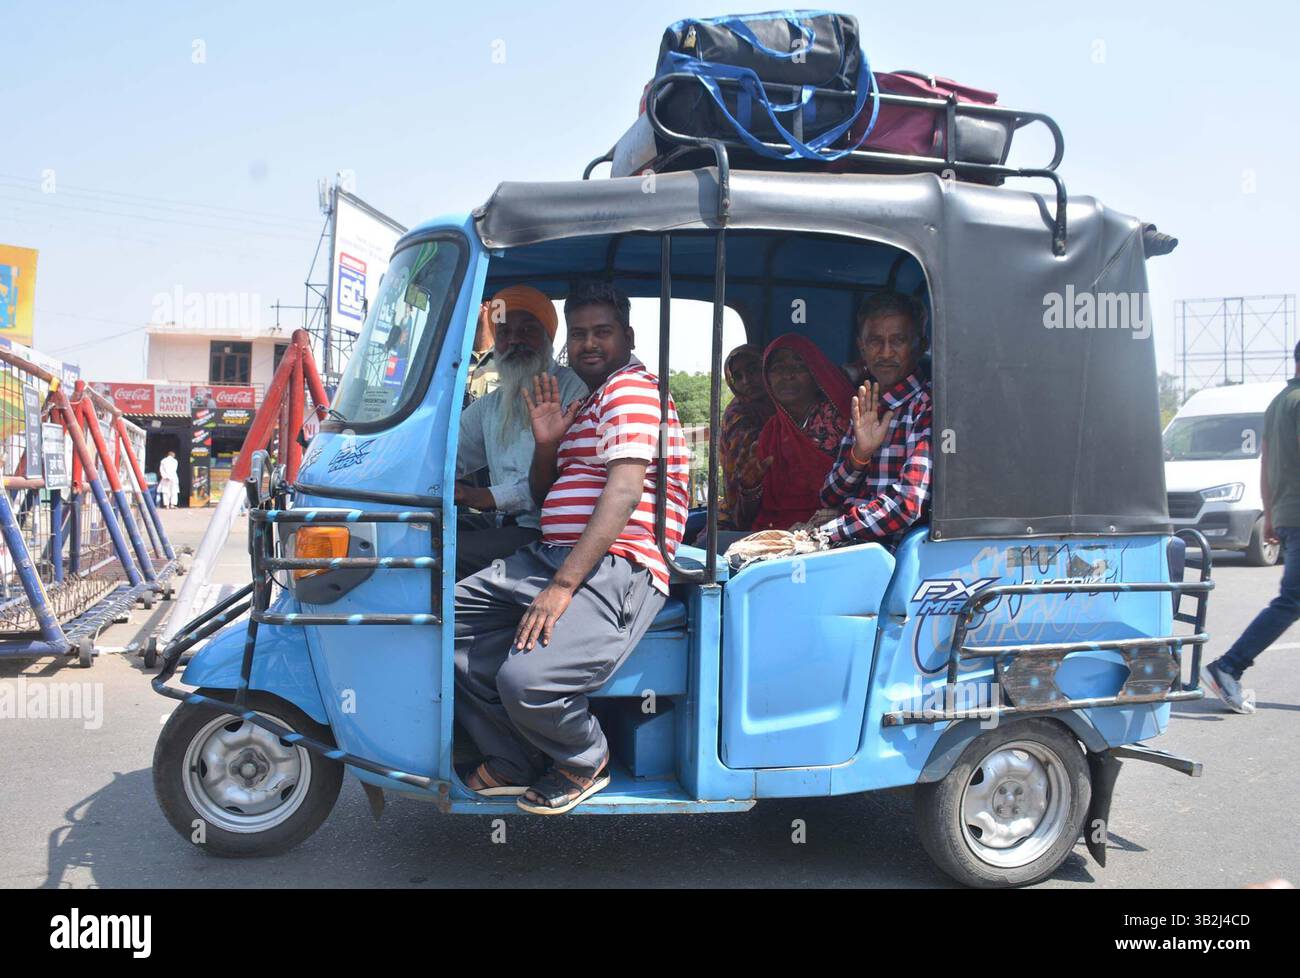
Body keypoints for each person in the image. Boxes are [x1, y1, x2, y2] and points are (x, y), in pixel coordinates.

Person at [454, 281, 689, 813]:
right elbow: (541, 493)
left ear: (627, 336)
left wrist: (561, 588)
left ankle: (585, 758)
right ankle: (514, 757)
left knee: (526, 680)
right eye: (579, 334)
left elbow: (625, 491)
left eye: (602, 333)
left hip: (617, 565)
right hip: (551, 554)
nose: (588, 344)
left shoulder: (631, 390)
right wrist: (546, 445)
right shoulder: (590, 399)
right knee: (448, 623)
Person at [454, 285, 587, 579]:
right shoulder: (492, 405)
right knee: (425, 536)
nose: (515, 340)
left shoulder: (572, 390)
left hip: (548, 533)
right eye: (504, 333)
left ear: (548, 338)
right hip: (506, 523)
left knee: (443, 554)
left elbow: (560, 484)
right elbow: (448, 455)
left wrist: (480, 496)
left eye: (528, 330)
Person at [1203, 343, 1300, 713]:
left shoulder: (1279, 402)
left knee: (1292, 599)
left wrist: (1272, 513)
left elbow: (1266, 464)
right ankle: (1229, 666)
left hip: (1288, 513)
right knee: (1291, 600)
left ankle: (1230, 666)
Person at [816, 291, 933, 548]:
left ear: (921, 345)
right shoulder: (868, 402)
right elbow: (828, 496)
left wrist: (826, 534)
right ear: (862, 347)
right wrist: (860, 455)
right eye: (875, 341)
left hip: (888, 555)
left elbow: (907, 504)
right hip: (848, 545)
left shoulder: (925, 405)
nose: (886, 352)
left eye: (898, 341)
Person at [733, 334, 853, 531]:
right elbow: (749, 516)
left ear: (815, 375)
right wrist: (750, 487)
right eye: (778, 368)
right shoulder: (771, 432)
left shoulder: (837, 419)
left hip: (829, 529)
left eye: (798, 367)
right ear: (767, 378)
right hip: (774, 531)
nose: (787, 375)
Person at [718, 344, 774, 531]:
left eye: (752, 370)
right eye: (738, 376)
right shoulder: (739, 415)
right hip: (740, 519)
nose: (746, 380)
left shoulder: (779, 405)